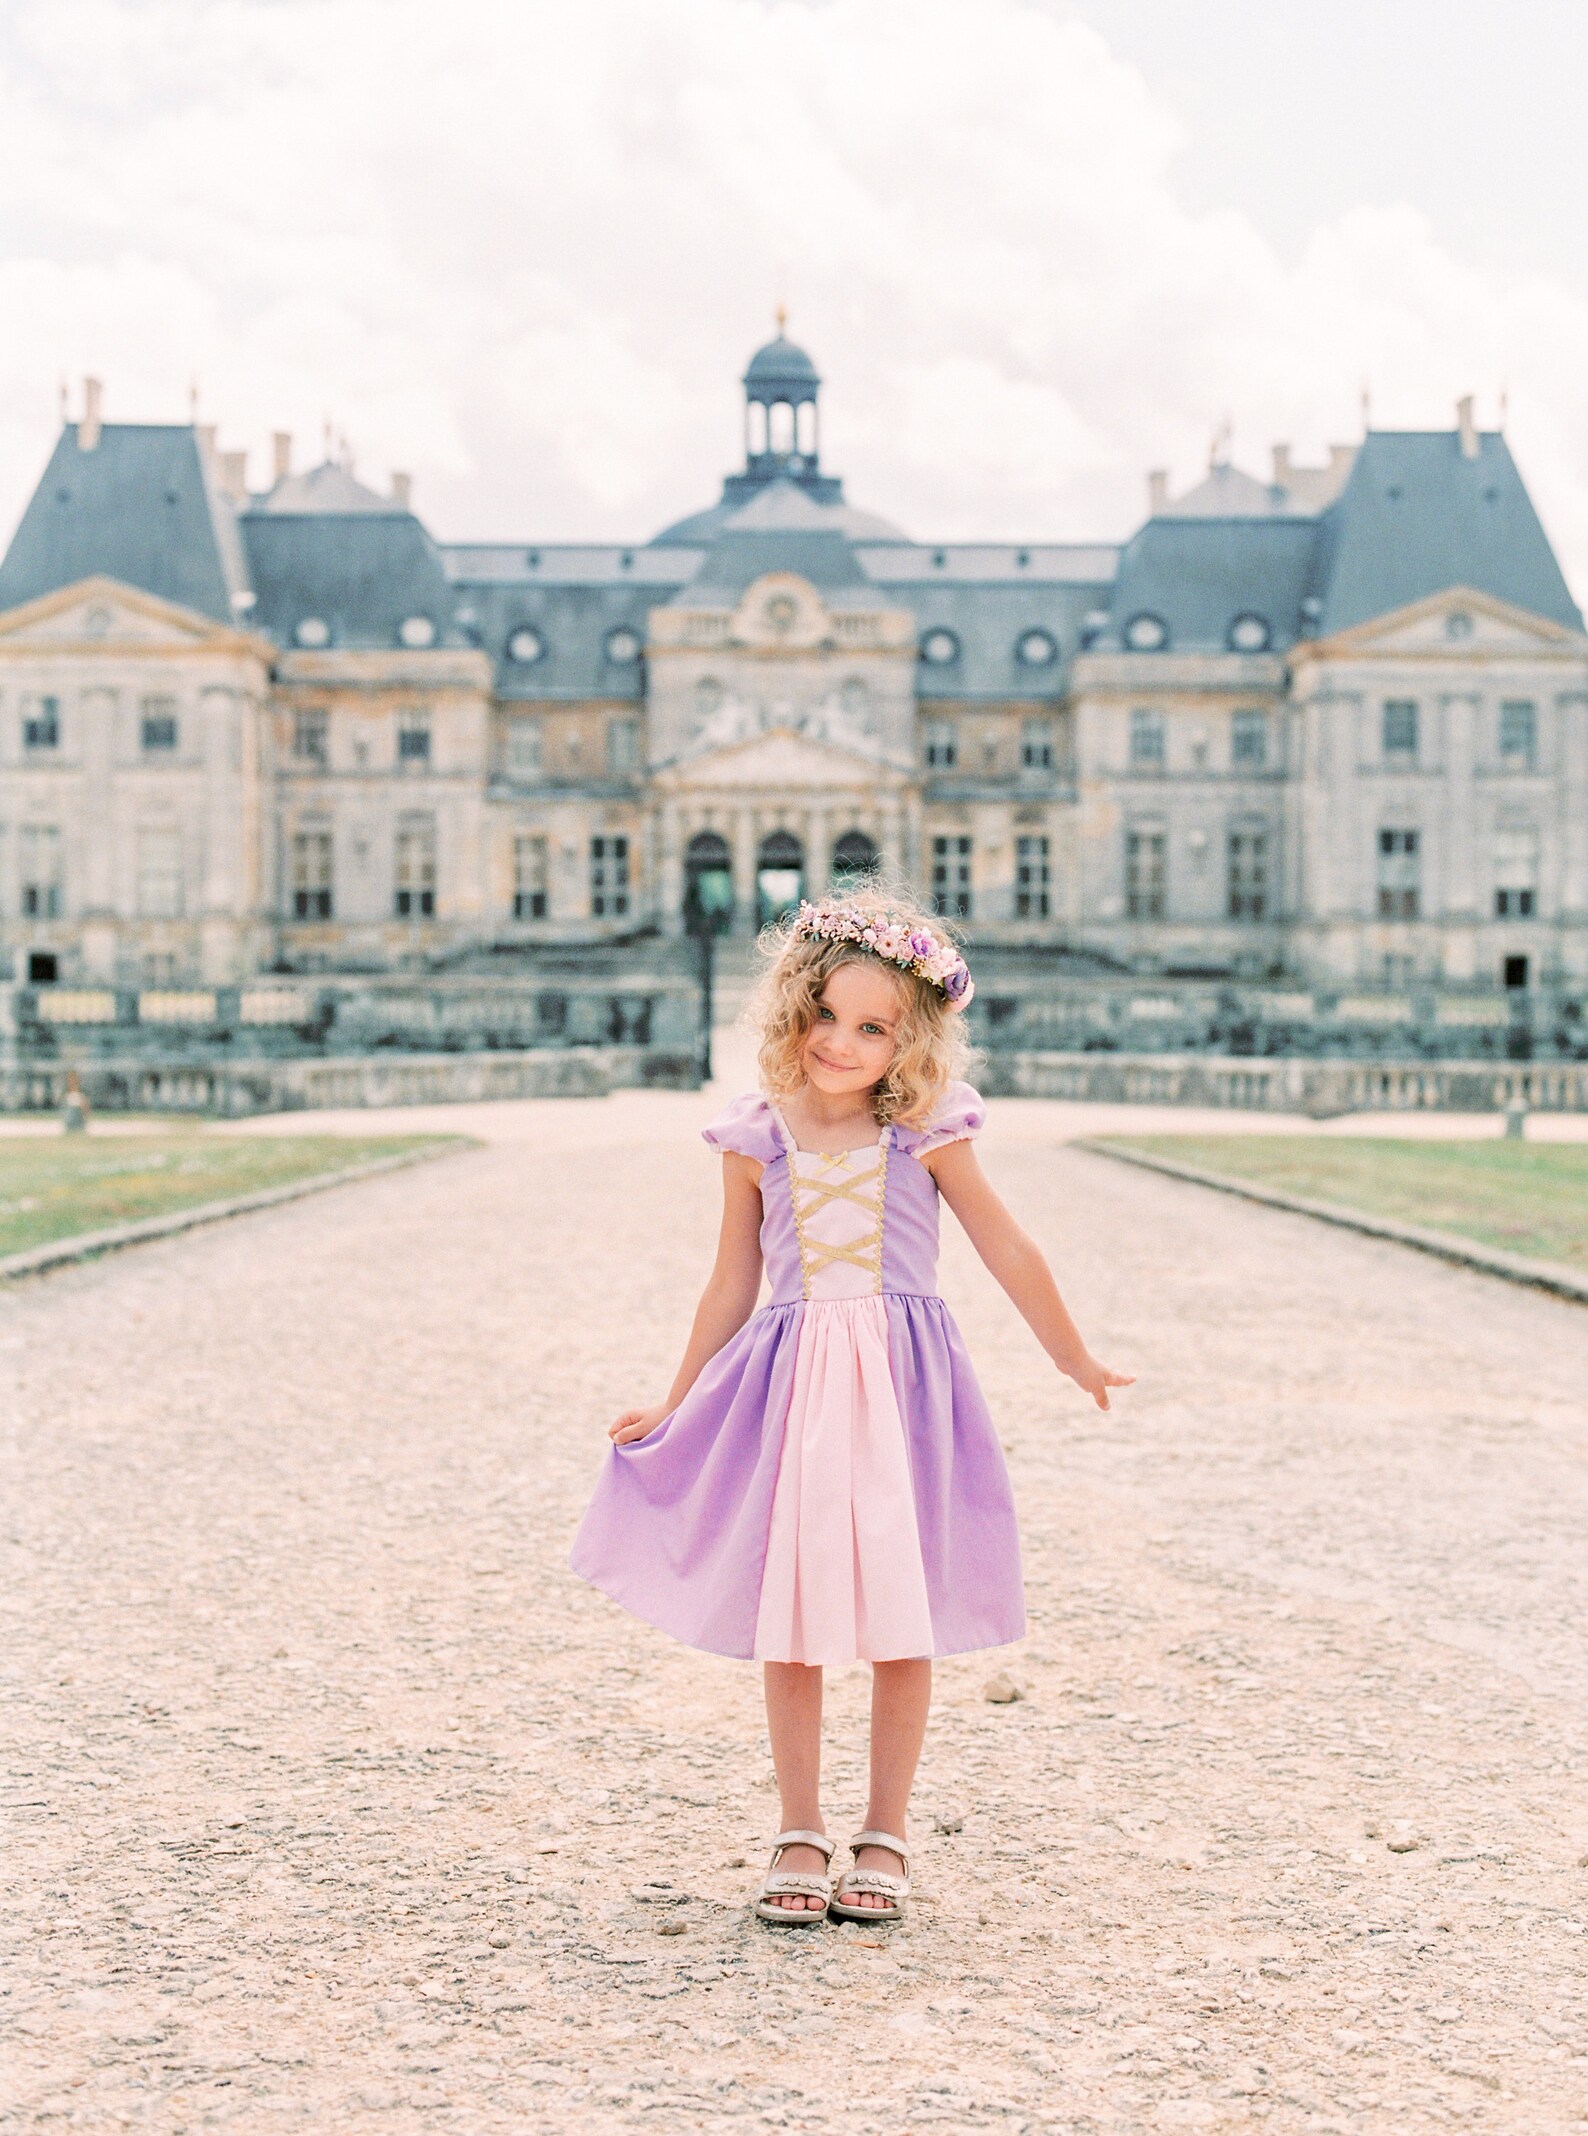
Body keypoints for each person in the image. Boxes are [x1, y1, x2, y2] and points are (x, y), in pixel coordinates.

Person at [569, 887, 1133, 1926]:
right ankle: (798, 1824)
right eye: (827, 1015)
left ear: (907, 1039)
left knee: (897, 1613)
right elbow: (730, 1284)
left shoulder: (925, 1130)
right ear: (794, 1008)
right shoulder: (757, 1139)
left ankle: (886, 1827)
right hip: (792, 1391)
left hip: (903, 1389)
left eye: (872, 1027)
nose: (841, 1042)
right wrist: (673, 1396)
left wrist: (1073, 1357)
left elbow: (1006, 1246)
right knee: (791, 1610)